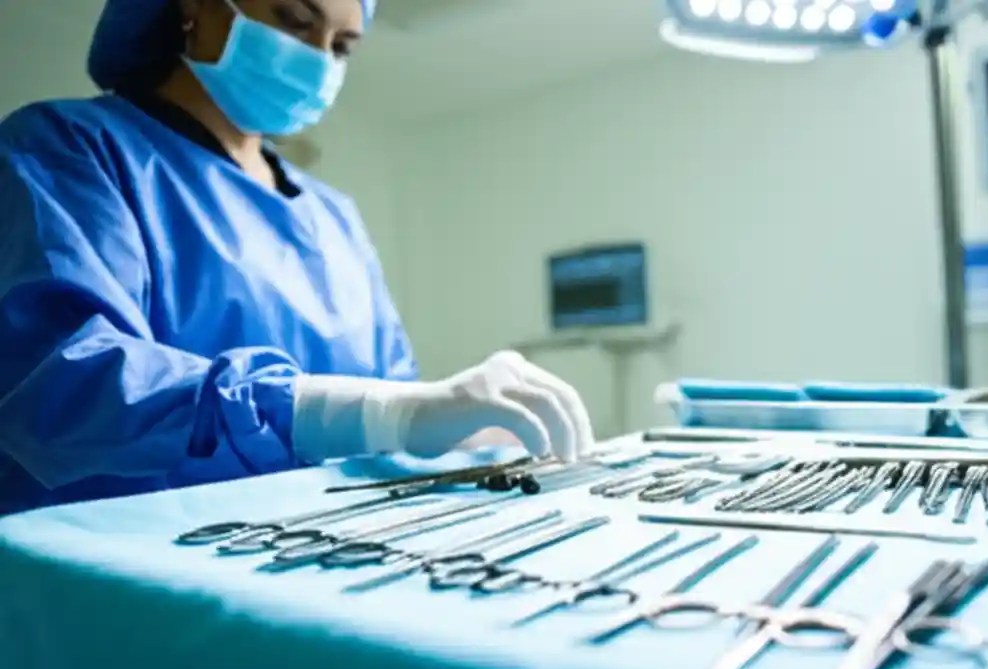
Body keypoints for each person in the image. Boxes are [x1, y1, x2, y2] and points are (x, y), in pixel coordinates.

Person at [0, 0, 594, 515]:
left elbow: (390, 395)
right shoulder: (68, 148)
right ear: (195, 6)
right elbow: (65, 385)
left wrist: (462, 431)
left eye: (342, 45)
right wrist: (366, 413)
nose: (318, 57)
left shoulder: (331, 216)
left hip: (328, 553)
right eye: (295, 18)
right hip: (120, 568)